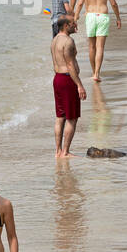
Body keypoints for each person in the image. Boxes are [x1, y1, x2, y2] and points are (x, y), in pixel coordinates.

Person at [74, 0, 121, 83]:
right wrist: (118, 18)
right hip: (103, 16)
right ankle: (96, 73)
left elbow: (79, 3)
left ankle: (93, 71)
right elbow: (113, 3)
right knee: (100, 47)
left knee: (91, 46)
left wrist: (76, 17)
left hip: (90, 16)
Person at [50, 14, 86, 158]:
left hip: (57, 78)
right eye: (73, 24)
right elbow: (70, 65)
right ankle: (65, 151)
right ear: (66, 26)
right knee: (72, 118)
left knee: (60, 117)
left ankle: (58, 151)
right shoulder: (68, 41)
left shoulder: (54, 40)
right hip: (67, 80)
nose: (75, 26)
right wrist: (79, 85)